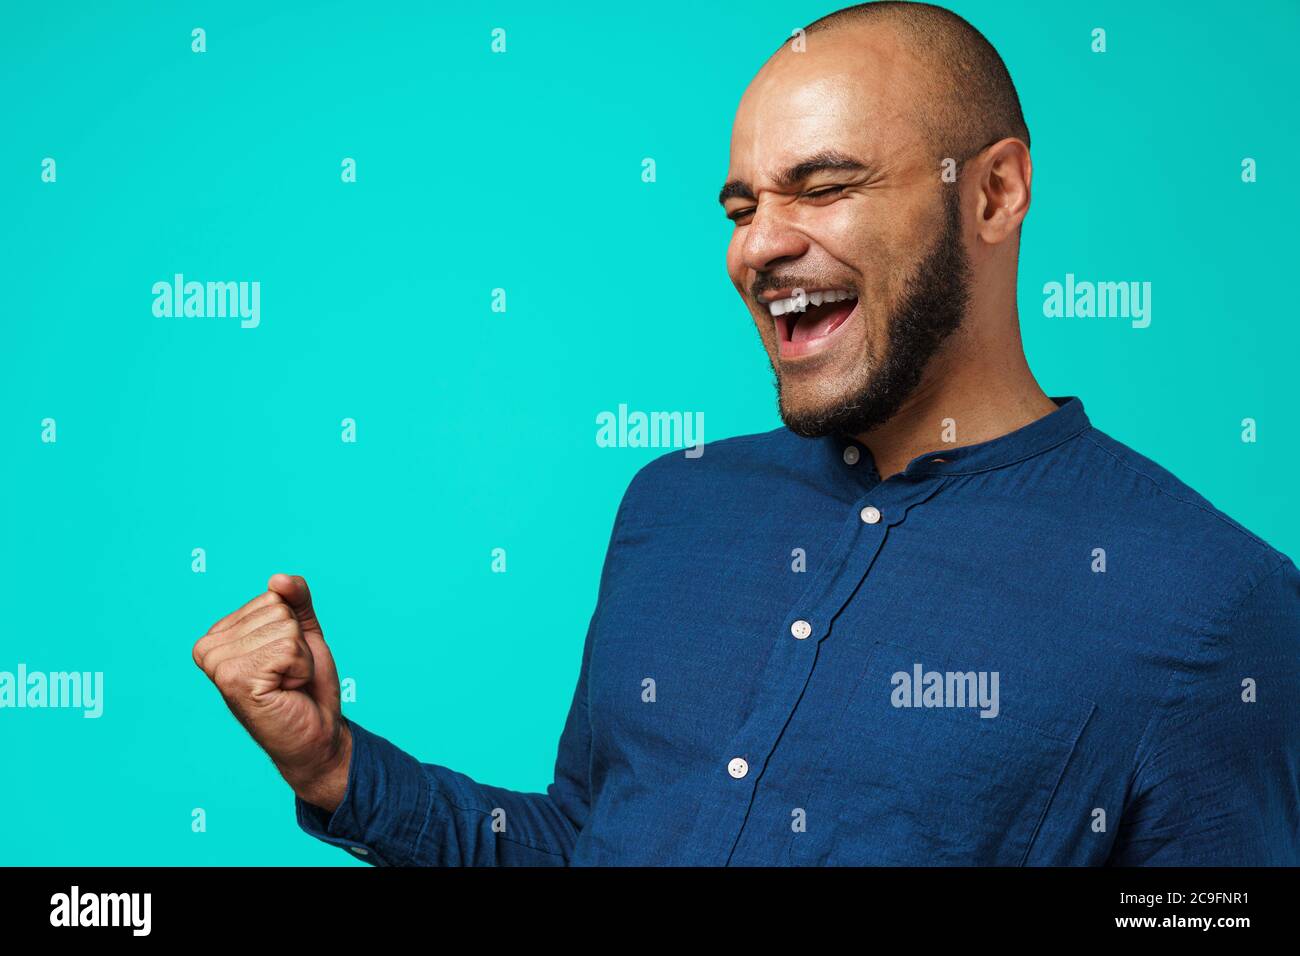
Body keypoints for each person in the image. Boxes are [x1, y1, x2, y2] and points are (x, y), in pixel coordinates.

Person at [193, 1, 1300, 865]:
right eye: (740, 207)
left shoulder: (1212, 605)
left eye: (824, 187)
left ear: (995, 192)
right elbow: (588, 840)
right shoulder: (673, 507)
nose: (757, 247)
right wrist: (337, 766)